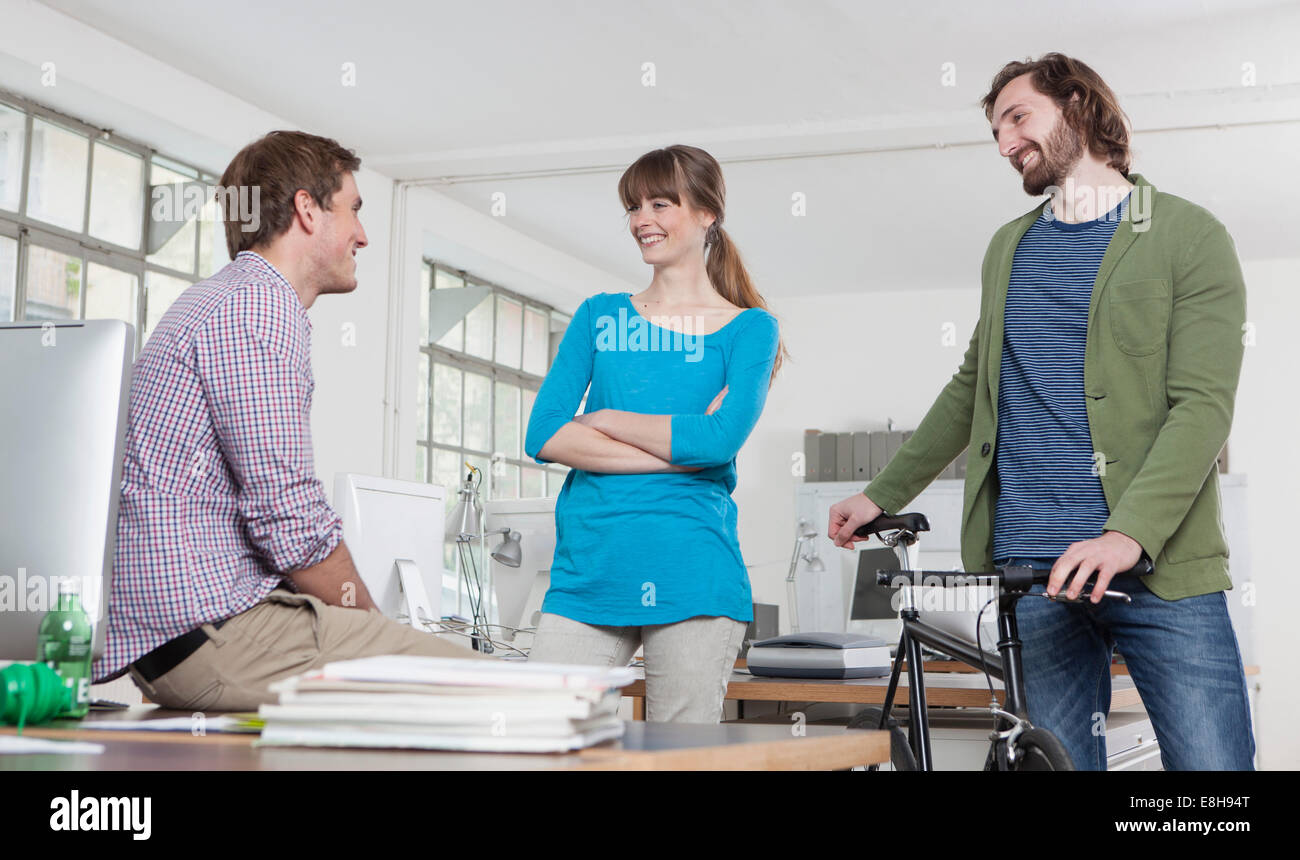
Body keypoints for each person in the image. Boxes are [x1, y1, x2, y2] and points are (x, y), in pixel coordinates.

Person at [827, 53, 1255, 770]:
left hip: (1159, 568)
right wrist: (881, 494)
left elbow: (1202, 409)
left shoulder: (1188, 235)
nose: (1004, 144)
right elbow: (974, 385)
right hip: (1034, 573)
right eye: (995, 130)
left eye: (1018, 118)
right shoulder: (1009, 247)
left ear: (1079, 107)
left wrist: (1126, 536)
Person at [93, 130, 482, 712]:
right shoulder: (258, 305)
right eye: (352, 209)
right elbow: (289, 515)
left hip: (180, 640)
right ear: (307, 209)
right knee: (501, 690)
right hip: (217, 634)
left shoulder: (218, 298)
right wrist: (376, 632)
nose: (363, 235)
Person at [523, 144, 786, 723]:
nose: (642, 221)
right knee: (541, 737)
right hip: (588, 569)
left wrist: (607, 421)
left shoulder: (750, 330)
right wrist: (680, 453)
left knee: (680, 761)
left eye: (660, 204)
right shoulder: (600, 315)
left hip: (693, 573)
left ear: (706, 214)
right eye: (634, 207)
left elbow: (718, 441)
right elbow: (542, 434)